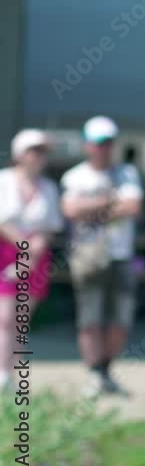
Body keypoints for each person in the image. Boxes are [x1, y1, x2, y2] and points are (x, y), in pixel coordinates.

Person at [61, 116, 145, 397]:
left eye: (108, 142)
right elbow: (70, 211)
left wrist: (91, 209)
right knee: (90, 319)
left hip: (121, 255)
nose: (104, 148)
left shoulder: (128, 173)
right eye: (98, 143)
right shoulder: (75, 176)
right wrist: (110, 203)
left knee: (121, 320)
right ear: (87, 145)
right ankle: (95, 373)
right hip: (87, 257)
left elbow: (132, 207)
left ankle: (105, 371)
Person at [0, 130, 63, 390]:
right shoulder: (3, 180)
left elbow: (50, 226)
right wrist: (25, 247)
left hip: (37, 257)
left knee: (21, 319)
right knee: (4, 316)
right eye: (34, 150)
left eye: (42, 151)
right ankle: (2, 373)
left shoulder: (49, 187)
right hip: (6, 253)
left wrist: (34, 251)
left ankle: (13, 374)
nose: (39, 156)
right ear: (20, 154)